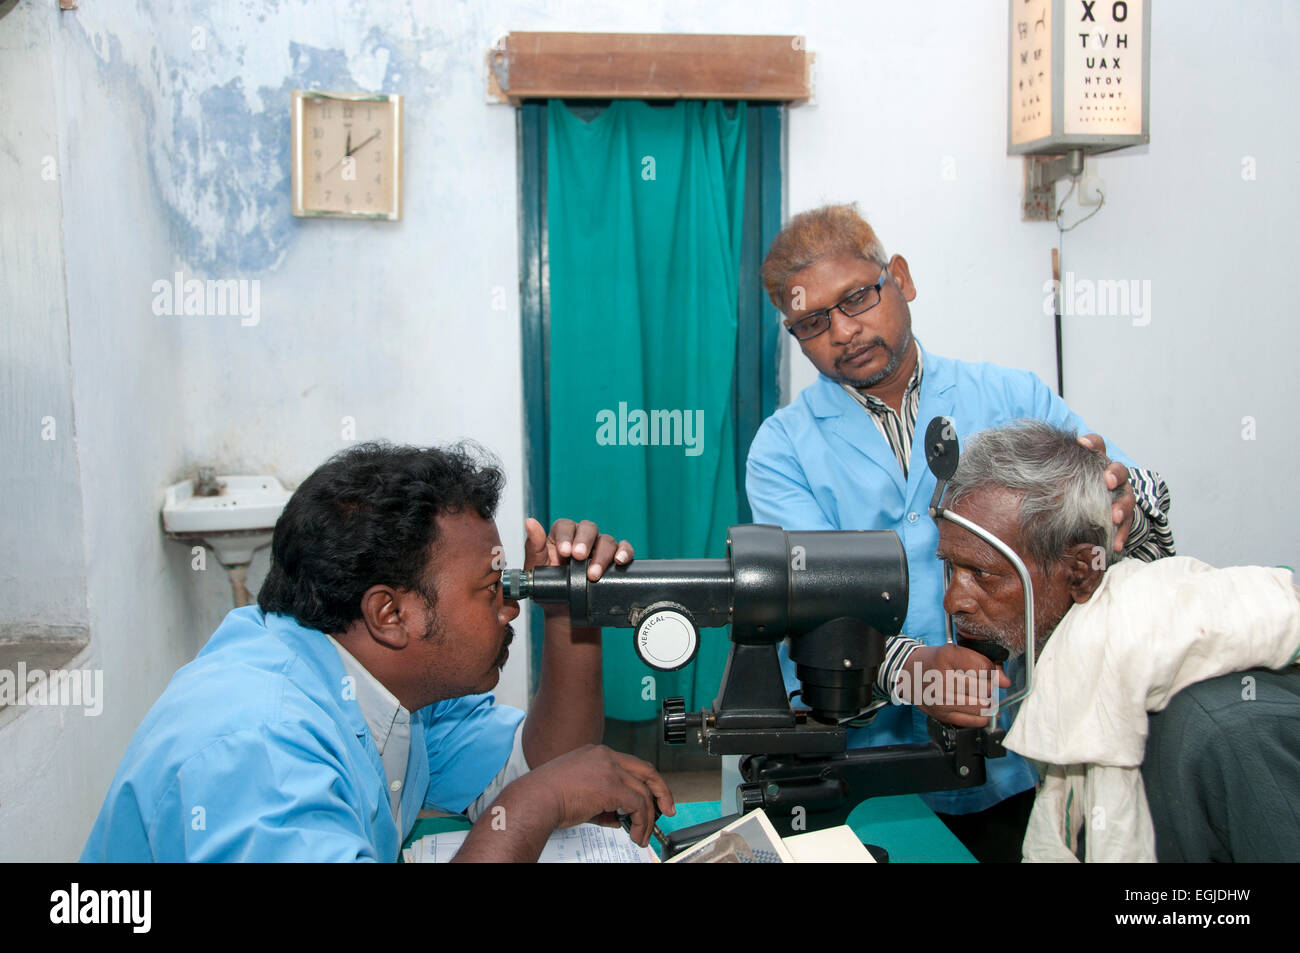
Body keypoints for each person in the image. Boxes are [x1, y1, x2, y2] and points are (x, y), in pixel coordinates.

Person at [746, 203, 1174, 861]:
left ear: (901, 278)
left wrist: (1124, 505)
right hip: (867, 768)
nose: (844, 330)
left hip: (1020, 751)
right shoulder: (782, 449)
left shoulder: (1015, 399)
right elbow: (807, 600)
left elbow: (1125, 505)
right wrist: (911, 671)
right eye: (812, 322)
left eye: (857, 298)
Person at [82, 442, 674, 862]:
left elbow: (546, 763)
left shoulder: (388, 689)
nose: (510, 609)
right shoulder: (260, 750)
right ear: (390, 615)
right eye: (491, 589)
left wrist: (572, 607)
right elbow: (541, 787)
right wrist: (534, 804)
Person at [935, 421, 1300, 862]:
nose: (953, 600)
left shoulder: (1223, 729)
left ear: (1081, 571)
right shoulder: (1052, 669)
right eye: (951, 568)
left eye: (983, 574)